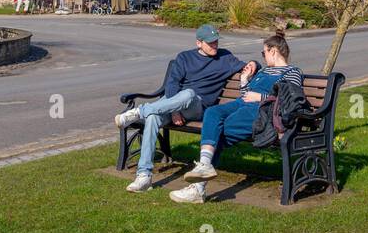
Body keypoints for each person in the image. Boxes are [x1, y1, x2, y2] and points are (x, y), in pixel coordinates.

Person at [114, 24, 257, 193]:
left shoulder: (225, 58)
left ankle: (139, 111)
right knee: (153, 118)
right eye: (210, 43)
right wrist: (174, 111)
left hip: (198, 108)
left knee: (189, 94)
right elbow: (172, 84)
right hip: (175, 107)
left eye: (216, 42)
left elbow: (251, 67)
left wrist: (254, 63)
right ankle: (144, 176)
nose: (215, 45)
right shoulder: (184, 58)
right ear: (199, 43)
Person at [170, 32, 303, 204]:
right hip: (241, 104)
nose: (262, 57)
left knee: (219, 131)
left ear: (274, 51)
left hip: (262, 110)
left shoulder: (292, 72)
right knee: (212, 113)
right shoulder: (264, 71)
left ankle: (198, 188)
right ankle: (204, 166)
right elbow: (246, 95)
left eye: (264, 53)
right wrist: (244, 80)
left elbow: (289, 100)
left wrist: (261, 98)